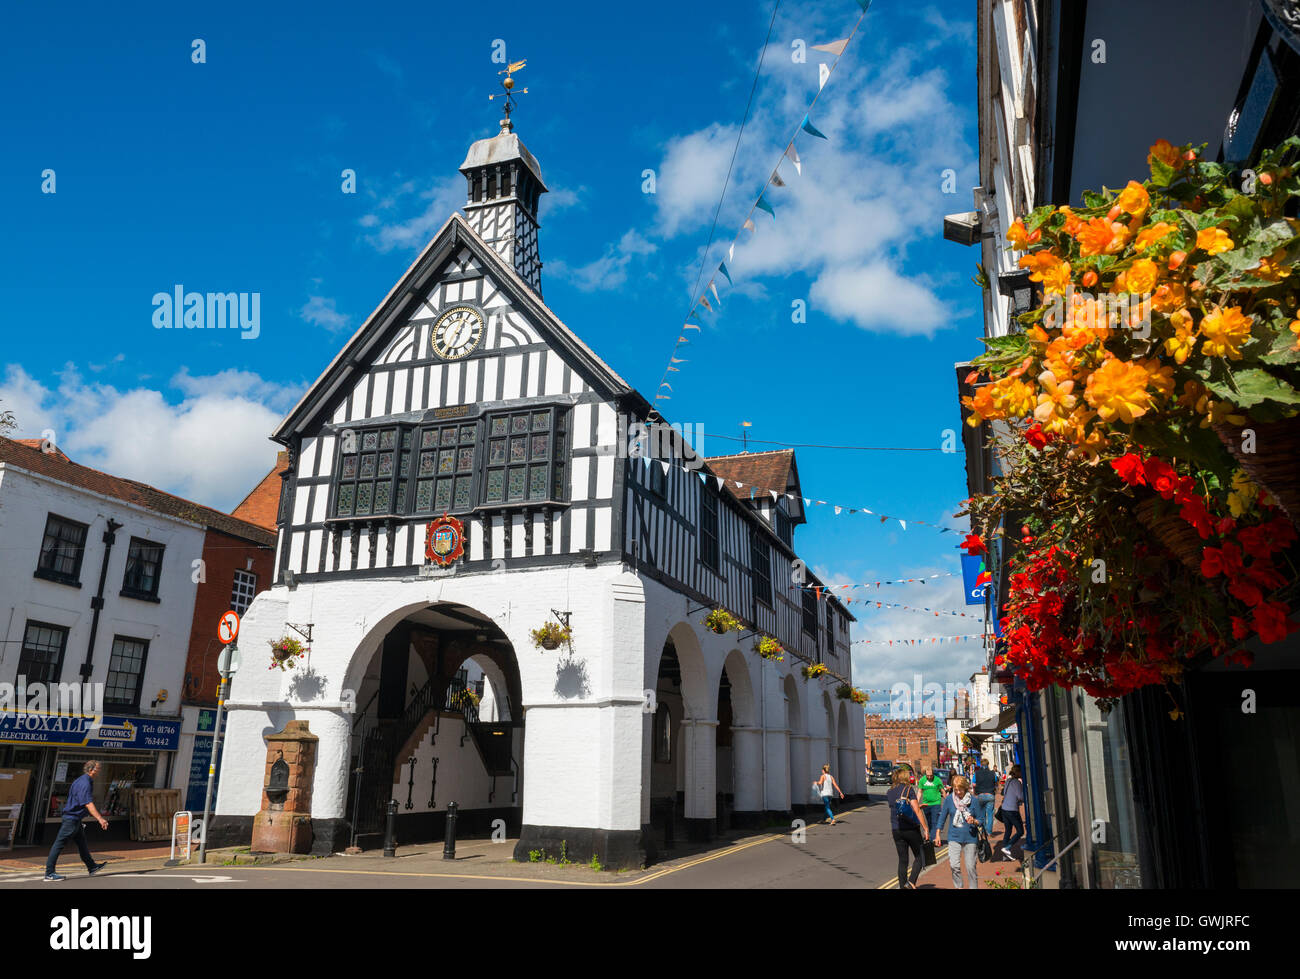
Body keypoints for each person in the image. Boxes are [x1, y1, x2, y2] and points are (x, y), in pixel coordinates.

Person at [45, 760, 109, 882]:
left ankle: (92, 866)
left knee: (81, 843)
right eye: (98, 769)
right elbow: (88, 803)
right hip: (71, 819)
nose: (99, 772)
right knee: (58, 845)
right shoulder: (85, 783)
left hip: (75, 819)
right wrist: (100, 819)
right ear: (91, 770)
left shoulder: (81, 780)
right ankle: (49, 873)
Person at [886, 767, 928, 889]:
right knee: (920, 856)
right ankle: (911, 883)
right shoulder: (908, 789)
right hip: (910, 828)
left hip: (896, 829)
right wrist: (925, 828)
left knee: (903, 860)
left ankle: (902, 886)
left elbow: (899, 808)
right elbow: (916, 810)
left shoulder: (890, 792)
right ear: (905, 777)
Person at [939, 774, 981, 889]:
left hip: (970, 838)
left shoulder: (974, 801)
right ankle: (959, 887)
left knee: (970, 867)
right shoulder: (949, 799)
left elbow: (981, 820)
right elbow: (942, 817)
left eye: (960, 789)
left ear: (965, 788)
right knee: (954, 865)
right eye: (955, 789)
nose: (957, 792)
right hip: (954, 837)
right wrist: (938, 833)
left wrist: (974, 821)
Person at [999, 764, 1026, 859]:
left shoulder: (1008, 781)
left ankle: (1005, 854)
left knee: (1008, 830)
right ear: (1018, 772)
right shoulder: (1017, 783)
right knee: (1020, 831)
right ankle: (1007, 847)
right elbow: (1020, 797)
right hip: (1012, 810)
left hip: (1004, 809)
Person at [918, 764, 945, 848]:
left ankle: (934, 840)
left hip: (936, 803)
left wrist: (948, 801)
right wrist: (916, 802)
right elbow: (919, 792)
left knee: (934, 822)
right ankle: (932, 837)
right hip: (926, 804)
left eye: (931, 775)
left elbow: (942, 791)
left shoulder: (937, 780)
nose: (929, 777)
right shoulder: (922, 780)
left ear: (933, 774)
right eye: (927, 775)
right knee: (929, 822)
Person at [973, 761, 999, 835]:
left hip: (980, 795)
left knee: (982, 814)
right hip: (990, 794)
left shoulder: (976, 773)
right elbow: (996, 781)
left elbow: (974, 784)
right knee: (990, 814)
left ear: (981, 765)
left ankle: (983, 830)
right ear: (988, 764)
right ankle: (989, 832)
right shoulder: (992, 773)